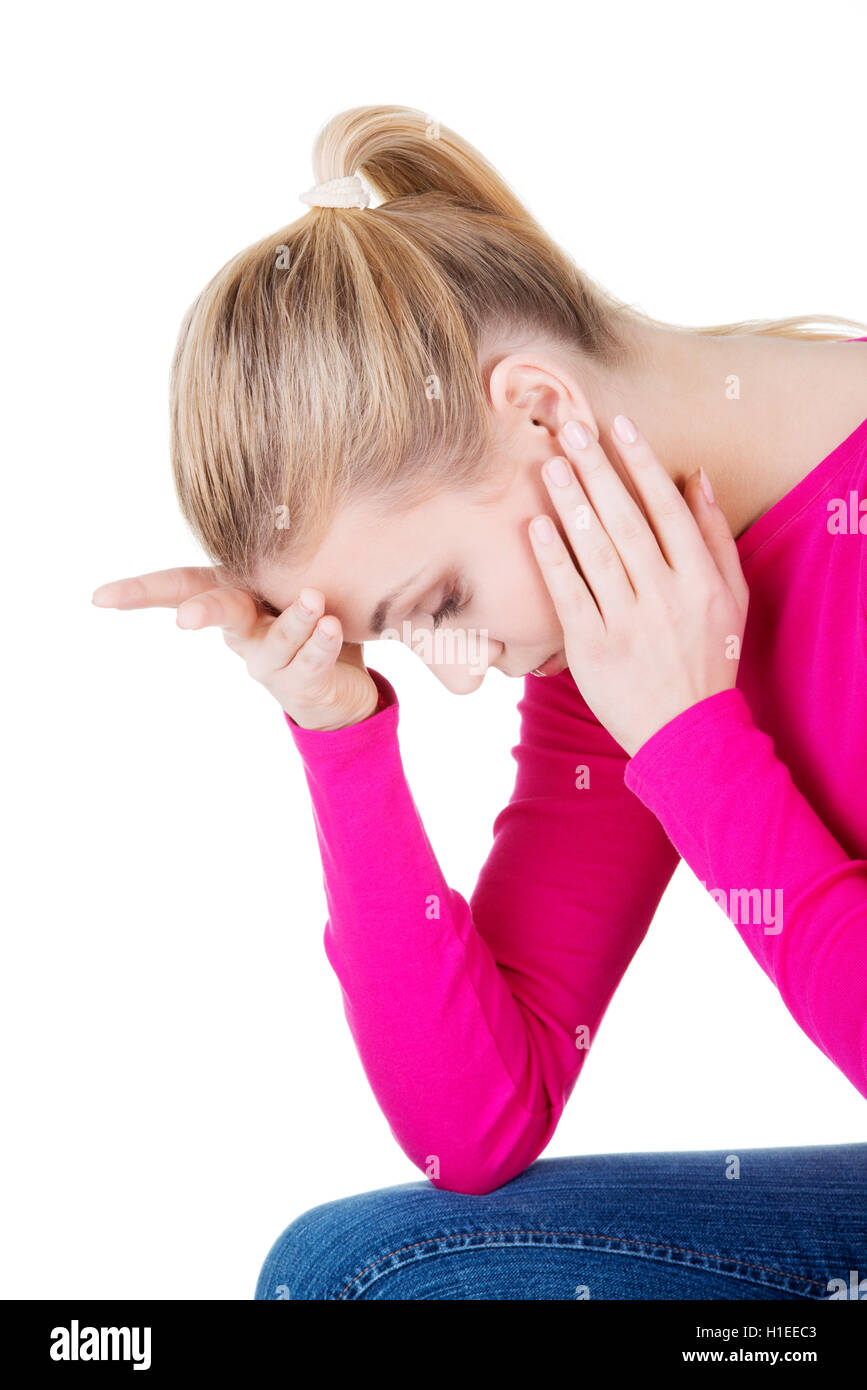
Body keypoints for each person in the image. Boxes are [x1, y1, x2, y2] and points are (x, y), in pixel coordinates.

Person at [92, 105, 867, 1300]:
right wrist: (341, 734)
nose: (457, 670)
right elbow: (476, 1127)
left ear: (542, 410)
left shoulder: (656, 668)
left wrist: (691, 740)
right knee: (367, 1277)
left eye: (437, 599)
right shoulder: (618, 645)